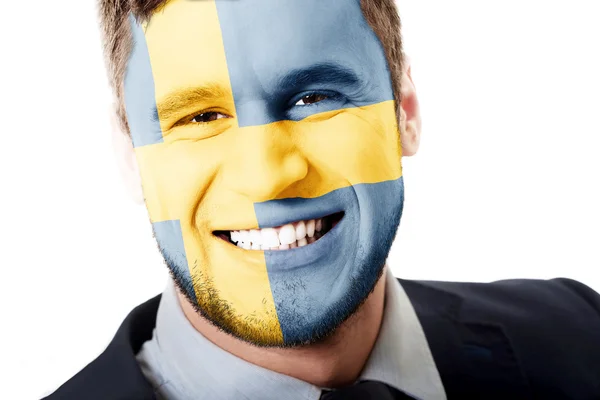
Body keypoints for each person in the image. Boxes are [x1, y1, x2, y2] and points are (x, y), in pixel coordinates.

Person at [44, 0, 600, 399]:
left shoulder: (580, 335)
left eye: (313, 98)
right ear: (130, 156)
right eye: (201, 117)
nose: (266, 177)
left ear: (404, 110)